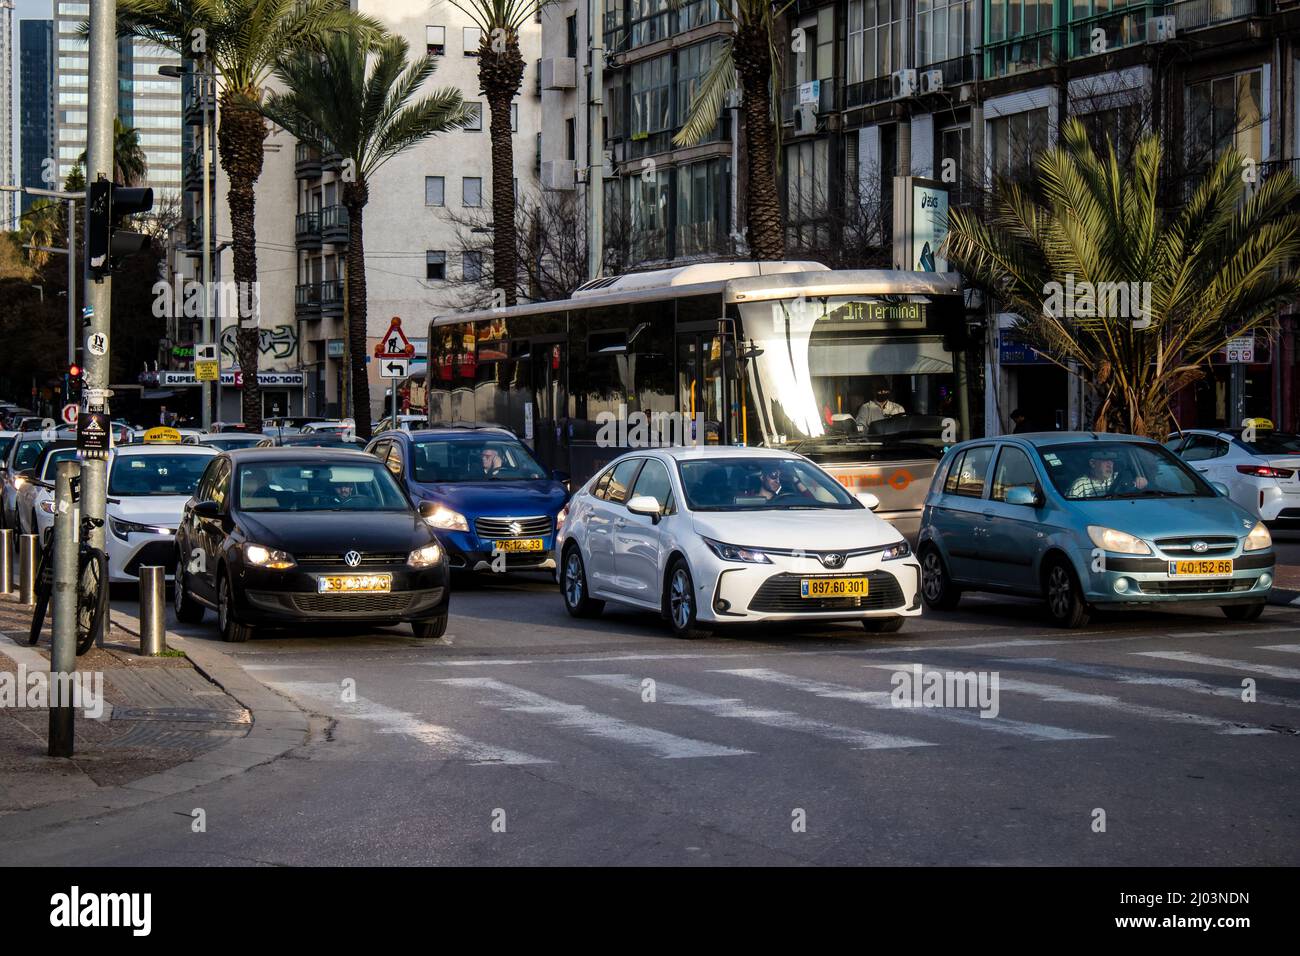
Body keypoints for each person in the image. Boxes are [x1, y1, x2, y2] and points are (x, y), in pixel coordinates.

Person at [1067, 449, 1149, 498]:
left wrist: (1142, 482)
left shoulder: (1120, 478)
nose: (1110, 464)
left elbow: (1143, 490)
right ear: (1092, 463)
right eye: (1105, 460)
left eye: (1111, 461)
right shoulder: (1080, 485)